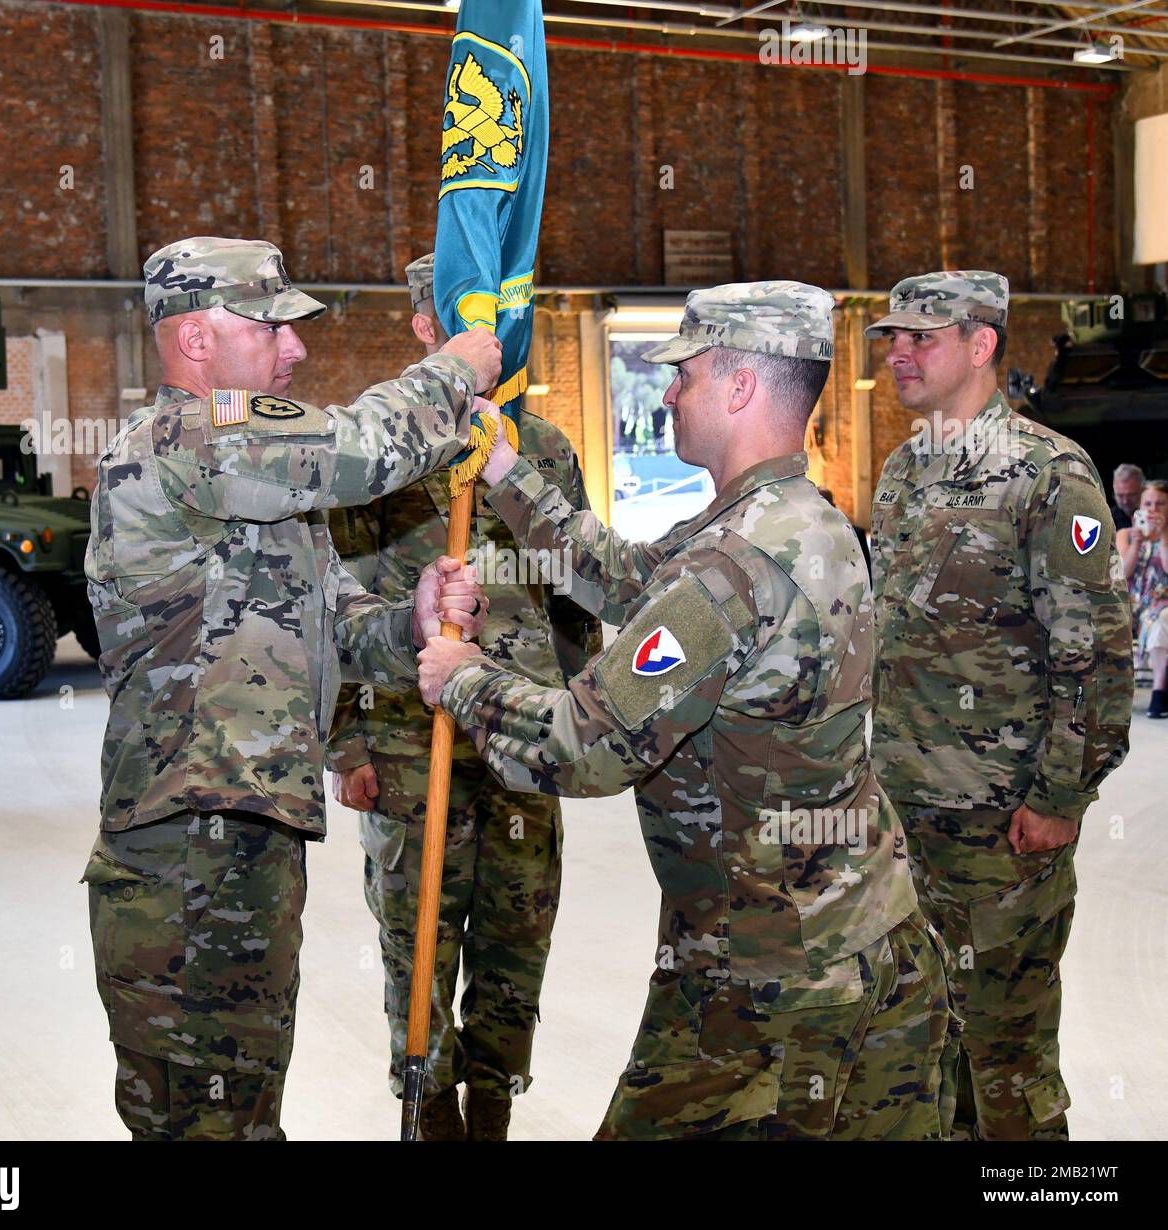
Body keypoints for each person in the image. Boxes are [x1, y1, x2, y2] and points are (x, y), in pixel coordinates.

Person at [418, 281, 955, 1141]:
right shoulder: (794, 520)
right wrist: (508, 470)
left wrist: (464, 676)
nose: (667, 392)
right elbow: (628, 577)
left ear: (741, 387)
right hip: (859, 928)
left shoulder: (737, 563)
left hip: (763, 978)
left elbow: (584, 745)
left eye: (687, 375)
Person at [80, 235, 499, 1141]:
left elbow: (340, 629)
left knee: (245, 1106)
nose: (295, 348)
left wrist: (413, 622)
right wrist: (449, 372)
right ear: (195, 340)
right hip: (185, 847)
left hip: (246, 837)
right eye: (271, 326)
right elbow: (361, 447)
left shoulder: (258, 486)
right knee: (207, 1120)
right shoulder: (183, 441)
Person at [325, 254, 601, 1141]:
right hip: (411, 741)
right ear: (423, 328)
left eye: (504, 320)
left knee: (517, 946)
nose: (493, 337)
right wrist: (347, 747)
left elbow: (578, 597)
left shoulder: (543, 450)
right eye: (467, 319)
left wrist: (576, 707)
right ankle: (429, 1113)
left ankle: (492, 1112)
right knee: (418, 950)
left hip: (520, 736)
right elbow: (332, 603)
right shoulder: (380, 456)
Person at [866, 270, 1134, 1140]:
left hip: (1001, 826)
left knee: (1005, 1058)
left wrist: (1060, 801)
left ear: (981, 345)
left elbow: (1094, 655)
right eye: (892, 338)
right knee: (921, 1048)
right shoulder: (904, 469)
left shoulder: (1048, 473)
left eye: (921, 338)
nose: (898, 353)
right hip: (908, 814)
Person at [1117, 478, 1168, 717]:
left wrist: (1163, 536)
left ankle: (1159, 691)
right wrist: (1137, 543)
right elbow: (1121, 575)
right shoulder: (1126, 534)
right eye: (1148, 504)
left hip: (1161, 602)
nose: (1153, 510)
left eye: (1160, 504)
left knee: (1161, 621)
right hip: (1131, 601)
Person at [1111, 462, 1146, 532]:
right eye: (1120, 496)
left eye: (1131, 495)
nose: (1125, 501)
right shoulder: (1108, 518)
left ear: (1143, 491)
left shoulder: (1156, 514)